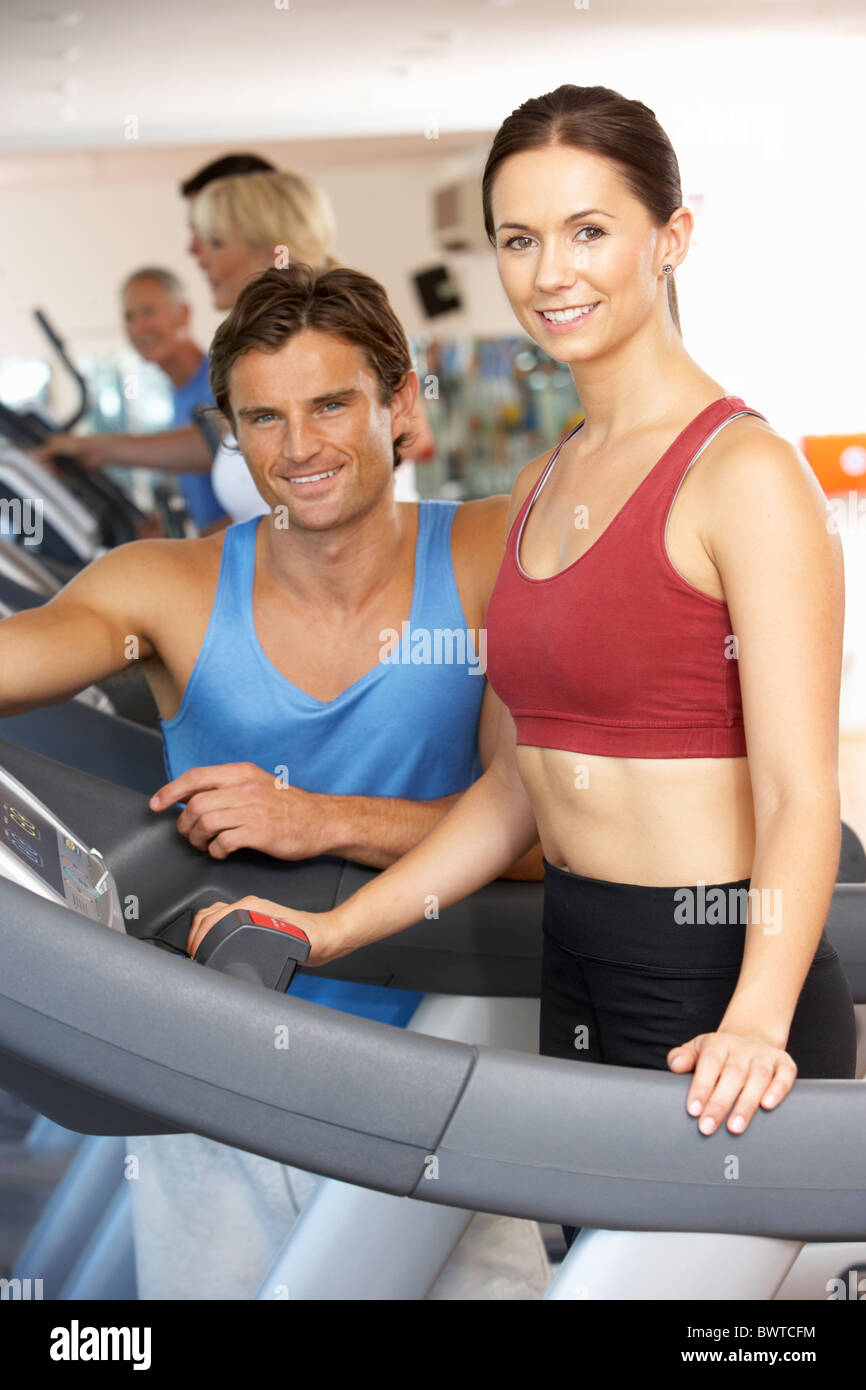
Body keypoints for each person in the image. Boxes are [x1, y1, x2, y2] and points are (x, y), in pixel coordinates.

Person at [190, 86, 858, 1260]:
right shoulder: (549, 483)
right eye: (517, 237)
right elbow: (518, 785)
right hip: (580, 959)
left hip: (713, 978)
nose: (550, 270)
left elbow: (801, 793)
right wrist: (331, 928)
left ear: (670, 238)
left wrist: (755, 1018)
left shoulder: (741, 472)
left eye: (587, 230)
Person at [0, 261, 548, 1296]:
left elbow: (536, 840)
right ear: (231, 432)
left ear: (398, 401)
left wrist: (317, 819)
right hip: (224, 1072)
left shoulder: (486, 559)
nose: (297, 449)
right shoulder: (162, 586)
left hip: (449, 1066)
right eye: (262, 418)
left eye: (330, 403)